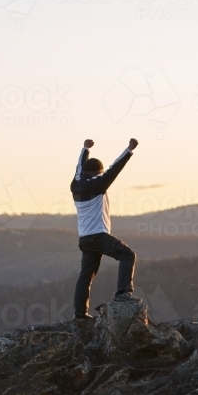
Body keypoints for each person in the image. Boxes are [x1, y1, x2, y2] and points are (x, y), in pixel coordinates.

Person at [71, 137, 140, 320]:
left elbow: (79, 166)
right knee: (128, 255)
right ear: (98, 173)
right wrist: (129, 150)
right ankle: (123, 294)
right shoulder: (98, 184)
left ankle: (80, 314)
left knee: (86, 275)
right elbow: (114, 169)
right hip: (98, 236)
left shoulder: (76, 184)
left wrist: (85, 148)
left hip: (85, 239)